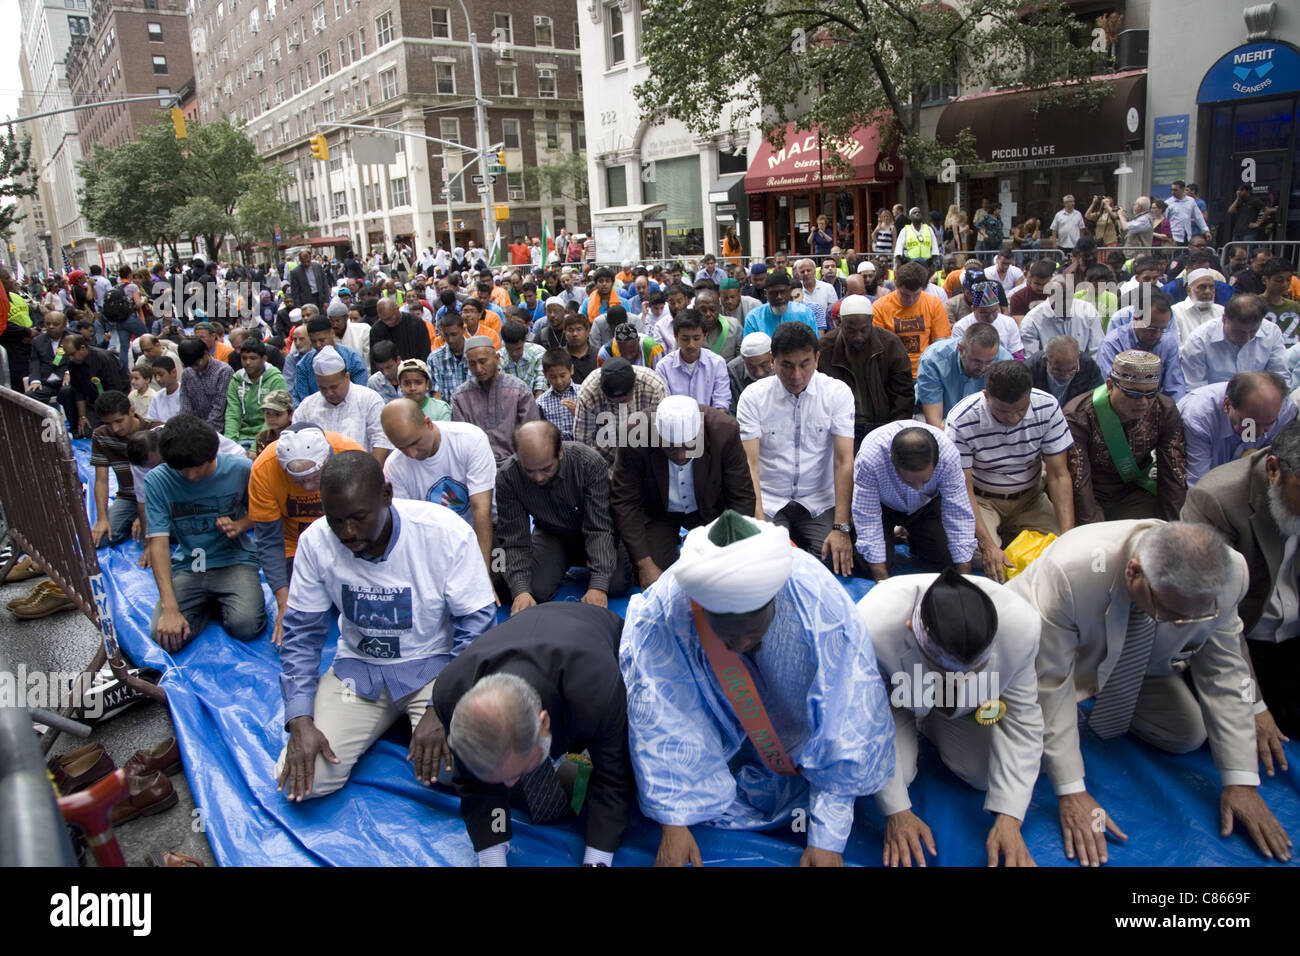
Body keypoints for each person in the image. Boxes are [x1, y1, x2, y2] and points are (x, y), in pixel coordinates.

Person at [1008, 520, 1292, 865]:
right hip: (1062, 660)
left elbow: (1225, 671)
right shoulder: (1071, 571)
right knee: (1021, 757)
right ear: (1133, 572)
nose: (1178, 624)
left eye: (1192, 617)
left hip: (1142, 663)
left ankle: (1112, 698)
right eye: (1169, 613)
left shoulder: (1230, 573)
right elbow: (1050, 683)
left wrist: (1241, 779)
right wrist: (1071, 790)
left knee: (1188, 734)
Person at [620, 510, 896, 867]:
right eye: (729, 638)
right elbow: (661, 710)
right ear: (703, 608)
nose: (740, 646)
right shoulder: (667, 606)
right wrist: (676, 821)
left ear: (773, 601)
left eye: (752, 634)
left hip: (795, 736)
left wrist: (828, 838)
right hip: (718, 732)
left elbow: (848, 710)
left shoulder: (815, 595)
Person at [275, 450, 495, 802]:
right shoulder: (316, 542)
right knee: (302, 782)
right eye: (336, 521)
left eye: (359, 517)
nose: (347, 532)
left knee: (450, 770)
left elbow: (477, 628)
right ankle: (390, 719)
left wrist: (442, 706)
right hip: (358, 672)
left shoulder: (444, 533)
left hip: (434, 670)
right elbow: (301, 635)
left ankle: (410, 716)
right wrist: (299, 718)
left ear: (387, 496)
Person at [861, 569, 1043, 866]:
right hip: (894, 699)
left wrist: (1010, 817)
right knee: (899, 776)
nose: (958, 682)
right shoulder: (872, 624)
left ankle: (933, 722)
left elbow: (1023, 719)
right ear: (911, 630)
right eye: (946, 672)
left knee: (984, 775)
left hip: (961, 707)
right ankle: (917, 720)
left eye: (971, 672)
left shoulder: (1021, 627)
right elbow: (864, 720)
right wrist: (898, 813)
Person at [432, 603, 635, 867]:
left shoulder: (597, 690)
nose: (509, 784)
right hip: (533, 643)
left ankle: (571, 760)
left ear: (544, 723)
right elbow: (475, 786)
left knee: (631, 772)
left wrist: (596, 862)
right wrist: (492, 860)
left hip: (594, 641)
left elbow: (613, 779)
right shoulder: (452, 691)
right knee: (452, 774)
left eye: (515, 772)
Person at [1181, 421, 1300, 746]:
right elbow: (1211, 616)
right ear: (1274, 470)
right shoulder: (1216, 500)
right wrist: (1254, 703)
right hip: (1242, 641)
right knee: (1214, 731)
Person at [738, 321, 859, 576]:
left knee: (831, 563)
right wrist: (758, 517)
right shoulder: (753, 398)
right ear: (772, 360)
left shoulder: (837, 394)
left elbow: (843, 461)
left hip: (817, 498)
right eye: (787, 365)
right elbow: (751, 463)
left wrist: (841, 527)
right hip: (770, 498)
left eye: (805, 364)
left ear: (817, 358)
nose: (796, 376)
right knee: (764, 566)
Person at [142, 414, 267, 650]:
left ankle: (216, 603)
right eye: (182, 469)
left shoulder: (241, 469)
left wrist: (240, 525)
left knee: (246, 626)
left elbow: (264, 514)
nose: (191, 476)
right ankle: (208, 605)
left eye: (198, 468)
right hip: (191, 565)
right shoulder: (157, 481)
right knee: (166, 637)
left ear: (212, 455)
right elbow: (158, 542)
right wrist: (170, 608)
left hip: (234, 560)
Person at [947, 360, 1075, 583]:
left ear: (1029, 395)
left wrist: (1067, 538)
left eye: (1021, 410)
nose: (1013, 418)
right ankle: (999, 538)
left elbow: (1058, 475)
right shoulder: (962, 419)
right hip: (982, 498)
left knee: (1057, 552)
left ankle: (1007, 536)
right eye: (1003, 411)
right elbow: (962, 487)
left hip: (1030, 497)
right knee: (974, 555)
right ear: (986, 396)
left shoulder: (1046, 406)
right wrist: (987, 545)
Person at [611, 395, 755, 588]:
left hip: (710, 511)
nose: (680, 455)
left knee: (721, 574)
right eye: (671, 447)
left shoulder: (724, 431)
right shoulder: (634, 434)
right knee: (649, 576)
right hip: (659, 513)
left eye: (689, 446)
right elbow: (626, 501)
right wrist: (644, 564)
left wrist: (731, 546)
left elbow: (742, 496)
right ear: (657, 435)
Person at [496, 420, 633, 613]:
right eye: (529, 471)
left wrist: (598, 586)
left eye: (545, 468)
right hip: (551, 533)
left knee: (615, 584)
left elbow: (599, 527)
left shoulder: (588, 463)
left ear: (559, 451)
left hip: (594, 530)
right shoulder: (507, 477)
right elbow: (513, 538)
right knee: (535, 590)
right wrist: (520, 591)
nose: (538, 478)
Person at [250, 424, 364, 645]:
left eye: (315, 477)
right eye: (299, 481)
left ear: (327, 460)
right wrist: (283, 604)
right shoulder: (264, 468)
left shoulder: (351, 456)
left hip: (347, 542)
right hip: (296, 546)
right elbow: (269, 541)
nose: (309, 486)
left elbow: (370, 521)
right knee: (304, 612)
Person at [1065, 350, 1187, 524]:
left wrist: (1174, 527)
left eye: (1151, 394)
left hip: (1132, 491)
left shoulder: (1165, 410)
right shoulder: (1078, 416)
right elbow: (1079, 482)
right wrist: (1094, 529)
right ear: (1110, 386)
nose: (1143, 402)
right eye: (1133, 394)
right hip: (1090, 492)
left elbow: (1173, 474)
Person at [381, 397, 496, 578]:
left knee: (500, 574)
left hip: (484, 531)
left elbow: (481, 509)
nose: (411, 453)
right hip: (438, 541)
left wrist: (482, 575)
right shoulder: (394, 466)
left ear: (428, 423)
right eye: (402, 448)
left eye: (414, 443)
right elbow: (408, 528)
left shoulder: (470, 439)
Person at [851, 421, 976, 580]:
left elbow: (958, 512)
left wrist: (966, 578)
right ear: (893, 463)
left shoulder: (948, 456)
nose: (917, 487)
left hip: (926, 505)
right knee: (867, 566)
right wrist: (882, 581)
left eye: (925, 481)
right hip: (882, 508)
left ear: (936, 462)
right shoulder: (871, 458)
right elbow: (867, 516)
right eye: (909, 481)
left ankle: (915, 536)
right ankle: (891, 535)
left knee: (950, 560)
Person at [816, 294, 914, 448]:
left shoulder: (890, 345)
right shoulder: (824, 349)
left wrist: (895, 432)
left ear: (872, 321)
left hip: (882, 427)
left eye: (863, 330)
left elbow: (903, 395)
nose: (858, 337)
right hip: (840, 429)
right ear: (840, 323)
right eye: (851, 330)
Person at [1178, 372, 1296, 486]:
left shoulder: (1285, 411)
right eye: (1249, 423)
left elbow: (1282, 475)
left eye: (1268, 424)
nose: (1258, 433)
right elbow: (1197, 484)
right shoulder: (1197, 417)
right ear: (1227, 404)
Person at [449, 335, 541, 467]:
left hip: (516, 466)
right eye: (472, 363)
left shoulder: (519, 390)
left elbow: (531, 434)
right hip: (476, 467)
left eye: (483, 361)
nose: (478, 369)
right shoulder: (461, 396)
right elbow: (460, 441)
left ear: (497, 358)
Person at [295, 346, 392, 463]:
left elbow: (381, 441)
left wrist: (371, 476)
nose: (329, 393)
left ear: (347, 377)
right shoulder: (307, 407)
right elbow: (297, 443)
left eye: (333, 387)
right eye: (322, 388)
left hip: (362, 472)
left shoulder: (369, 399)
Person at [88, 391, 159, 548]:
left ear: (131, 411)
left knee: (162, 535)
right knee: (100, 539)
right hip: (128, 497)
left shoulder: (154, 432)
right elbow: (101, 480)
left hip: (159, 499)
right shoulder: (101, 435)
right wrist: (102, 518)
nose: (114, 428)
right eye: (108, 424)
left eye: (119, 421)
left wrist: (144, 515)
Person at [572, 356, 669, 470]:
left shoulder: (654, 387)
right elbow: (583, 445)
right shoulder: (589, 391)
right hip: (604, 460)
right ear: (601, 388)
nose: (619, 404)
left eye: (623, 399)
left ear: (635, 381)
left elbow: (663, 437)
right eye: (613, 400)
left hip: (645, 458)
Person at [1181, 293, 1290, 390]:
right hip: (1212, 404)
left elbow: (1280, 378)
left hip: (1259, 403)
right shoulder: (1199, 341)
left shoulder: (1271, 332)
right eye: (1240, 332)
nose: (1247, 338)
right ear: (1224, 319)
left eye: (1253, 331)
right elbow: (1195, 389)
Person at [1096, 291, 1187, 403]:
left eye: (1162, 329)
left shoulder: (1167, 342)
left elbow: (1175, 387)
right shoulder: (1113, 343)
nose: (1157, 335)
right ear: (1136, 318)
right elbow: (1110, 389)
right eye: (1151, 329)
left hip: (1156, 406)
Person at [915, 322, 1010, 428]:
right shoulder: (933, 359)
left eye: (989, 362)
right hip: (942, 418)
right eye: (976, 361)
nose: (983, 368)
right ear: (961, 349)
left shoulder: (1004, 361)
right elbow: (934, 423)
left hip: (982, 420)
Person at [871, 261, 951, 378]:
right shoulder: (880, 307)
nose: (910, 300)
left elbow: (940, 344)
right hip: (894, 372)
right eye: (905, 295)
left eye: (916, 295)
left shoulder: (934, 303)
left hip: (926, 372)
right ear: (896, 285)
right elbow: (879, 349)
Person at [654, 309, 731, 410]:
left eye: (696, 338)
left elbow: (721, 402)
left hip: (710, 422)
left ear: (705, 335)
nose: (691, 344)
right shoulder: (663, 366)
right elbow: (664, 404)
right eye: (685, 339)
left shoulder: (717, 363)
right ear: (676, 337)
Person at [59, 332, 128, 436]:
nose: (70, 358)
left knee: (101, 432)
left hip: (114, 399)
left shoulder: (104, 358)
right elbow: (78, 391)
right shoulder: (73, 363)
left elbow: (115, 388)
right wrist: (82, 416)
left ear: (82, 348)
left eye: (72, 354)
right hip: (92, 400)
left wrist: (109, 416)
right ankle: (76, 429)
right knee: (66, 391)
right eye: (68, 355)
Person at [1020, 282, 1104, 363]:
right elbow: (1033, 361)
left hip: (1084, 370)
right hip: (1047, 371)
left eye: (1068, 300)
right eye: (1060, 301)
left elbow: (1097, 352)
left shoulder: (1088, 311)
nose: (1065, 304)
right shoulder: (1031, 321)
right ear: (1050, 297)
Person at [293, 315, 369, 403]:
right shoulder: (304, 365)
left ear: (332, 333)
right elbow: (302, 399)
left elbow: (360, 393)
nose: (318, 345)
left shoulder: (353, 359)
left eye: (322, 340)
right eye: (314, 341)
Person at [224, 338, 286, 445]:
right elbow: (233, 414)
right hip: (241, 437)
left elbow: (273, 419)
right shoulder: (236, 380)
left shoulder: (276, 380)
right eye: (244, 358)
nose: (247, 362)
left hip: (269, 438)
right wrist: (230, 444)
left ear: (264, 359)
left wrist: (256, 446)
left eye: (253, 358)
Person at [1028, 335, 1103, 408]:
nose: (1065, 376)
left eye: (1072, 370)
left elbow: (1098, 399)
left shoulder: (1088, 366)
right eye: (1058, 371)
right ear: (1045, 361)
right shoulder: (1030, 370)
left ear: (1078, 360)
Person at [741, 271, 819, 338]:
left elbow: (814, 345)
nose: (779, 297)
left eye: (783, 292)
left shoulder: (805, 313)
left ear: (789, 291)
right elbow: (750, 350)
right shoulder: (754, 318)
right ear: (766, 293)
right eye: (774, 293)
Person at [537, 349, 580, 441]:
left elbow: (596, 422)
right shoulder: (541, 402)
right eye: (553, 377)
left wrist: (579, 413)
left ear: (571, 370)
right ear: (545, 374)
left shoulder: (583, 393)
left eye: (562, 375)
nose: (559, 381)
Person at [395, 358, 451, 422]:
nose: (413, 388)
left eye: (418, 383)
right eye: (407, 383)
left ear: (427, 384)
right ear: (400, 386)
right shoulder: (395, 412)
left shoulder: (441, 409)